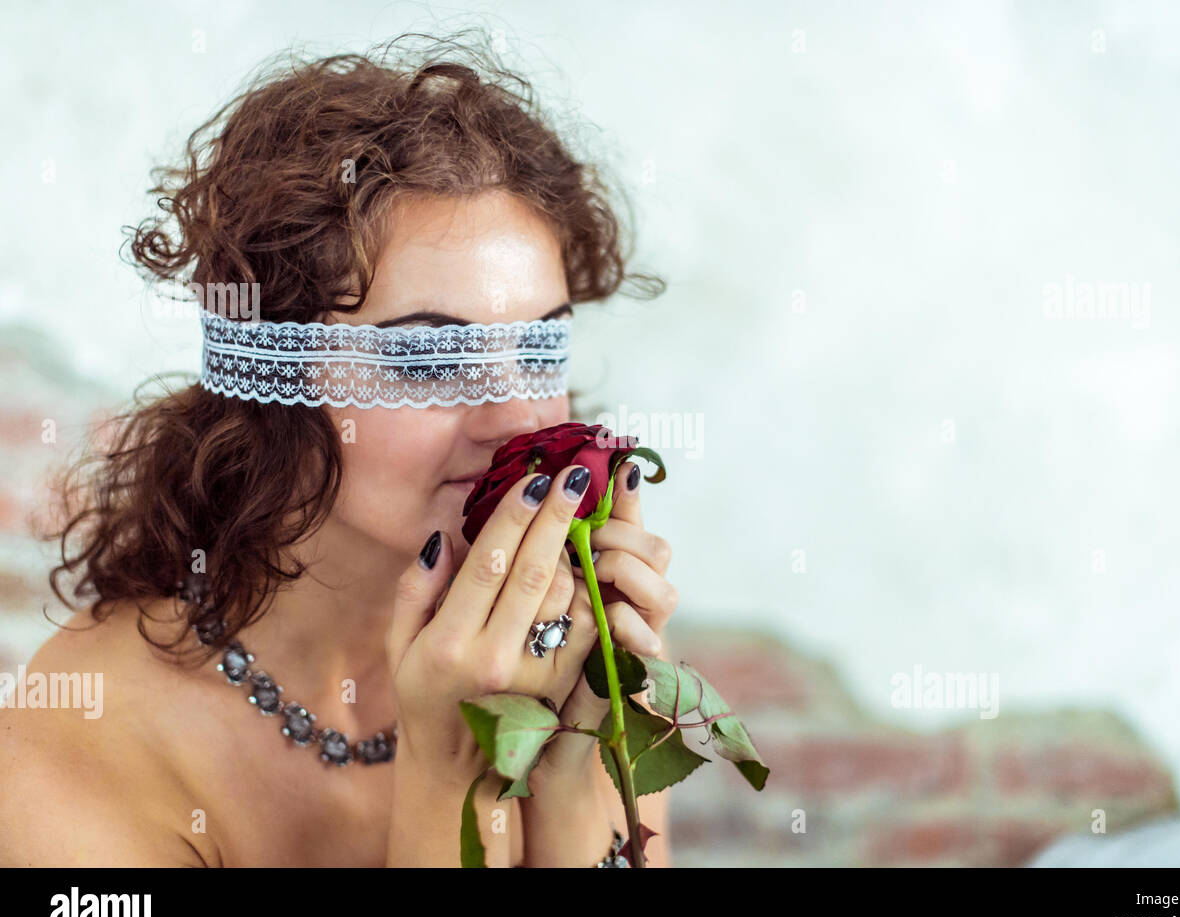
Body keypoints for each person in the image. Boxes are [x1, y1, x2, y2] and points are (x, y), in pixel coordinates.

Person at [0, 33, 677, 867]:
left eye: (540, 350)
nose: (514, 416)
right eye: (430, 355)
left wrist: (581, 757)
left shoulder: (564, 645)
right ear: (269, 388)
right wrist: (450, 775)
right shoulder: (84, 744)